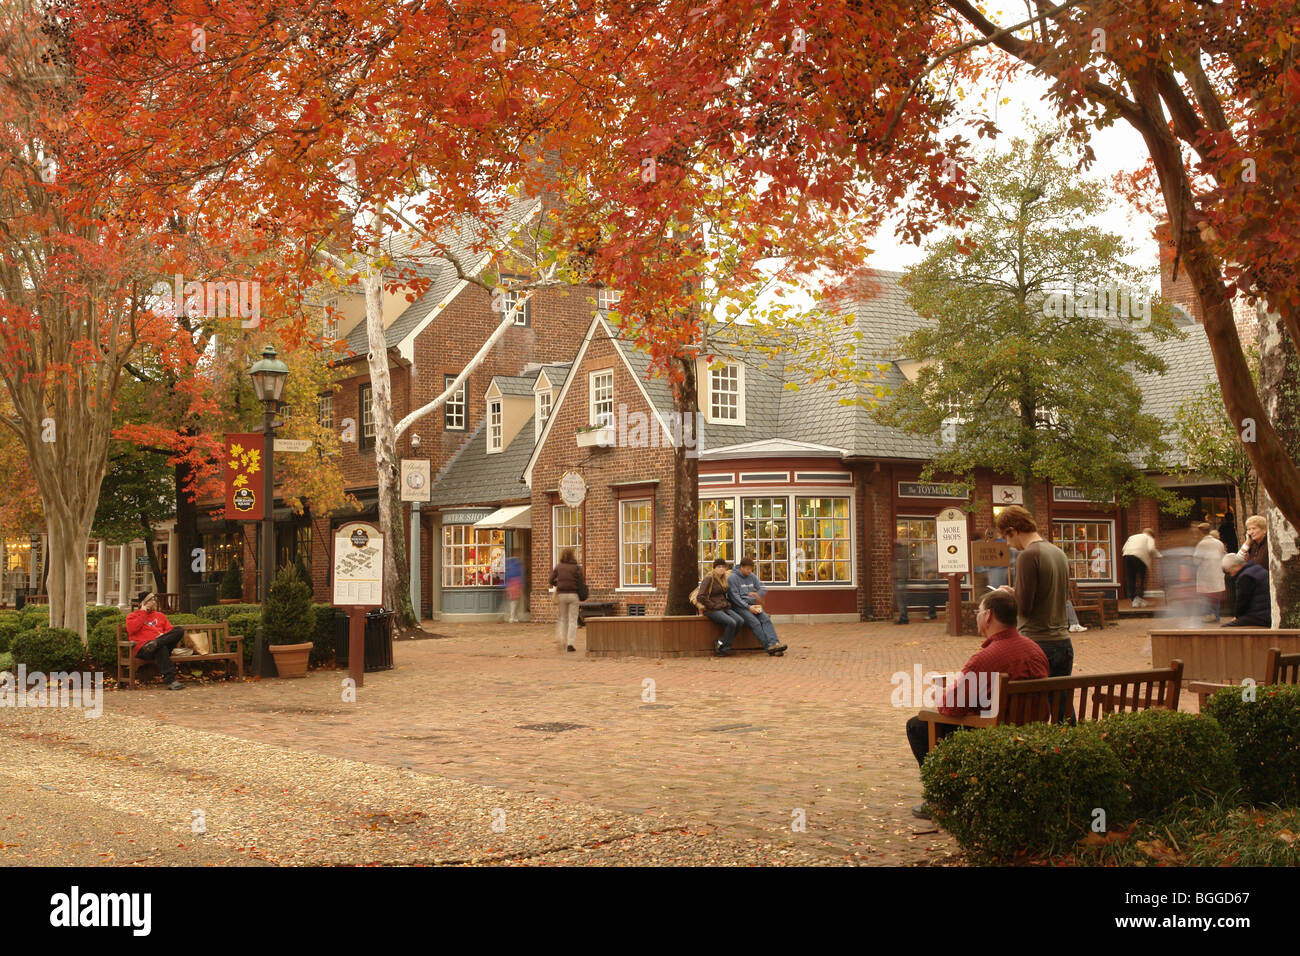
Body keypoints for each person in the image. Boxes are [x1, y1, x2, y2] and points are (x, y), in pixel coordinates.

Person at [907, 589, 1048, 819]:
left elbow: (952, 708)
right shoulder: (1035, 650)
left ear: (989, 616)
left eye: (978, 611)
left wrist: (939, 694)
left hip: (995, 733)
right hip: (1033, 729)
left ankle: (942, 800)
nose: (976, 615)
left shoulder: (986, 658)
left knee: (918, 726)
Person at [994, 505, 1072, 679]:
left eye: (1007, 537)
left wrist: (1009, 596)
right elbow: (1050, 595)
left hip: (1036, 642)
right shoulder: (1059, 553)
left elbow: (1024, 608)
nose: (1008, 544)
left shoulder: (1028, 556)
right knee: (1061, 704)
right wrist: (1016, 592)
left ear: (1013, 531)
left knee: (1034, 705)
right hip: (1063, 643)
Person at [727, 556, 788, 656]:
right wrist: (748, 607)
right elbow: (735, 597)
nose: (749, 571)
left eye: (751, 569)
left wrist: (757, 594)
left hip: (752, 605)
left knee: (765, 619)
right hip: (739, 607)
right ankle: (769, 647)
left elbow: (763, 588)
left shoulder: (752, 576)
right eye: (747, 569)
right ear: (741, 567)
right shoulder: (732, 578)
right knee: (755, 623)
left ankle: (775, 643)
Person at [125, 592, 186, 690]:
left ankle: (156, 643)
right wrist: (143, 612)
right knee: (161, 648)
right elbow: (132, 630)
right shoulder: (133, 616)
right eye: (150, 600)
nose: (153, 602)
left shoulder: (160, 615)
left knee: (179, 630)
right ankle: (171, 681)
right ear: (143, 602)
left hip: (158, 644)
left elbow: (170, 631)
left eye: (153, 600)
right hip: (144, 649)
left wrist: (162, 636)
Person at [694, 558, 746, 656]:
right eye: (718, 567)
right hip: (711, 609)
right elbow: (700, 596)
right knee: (731, 622)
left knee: (740, 621)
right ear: (714, 568)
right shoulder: (709, 578)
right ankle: (724, 647)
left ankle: (721, 643)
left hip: (724, 607)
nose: (721, 569)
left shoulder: (724, 579)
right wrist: (713, 605)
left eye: (723, 567)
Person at [549, 548, 585, 652]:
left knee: (562, 618)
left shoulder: (558, 567)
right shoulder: (576, 567)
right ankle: (570, 644)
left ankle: (560, 638)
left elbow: (550, 580)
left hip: (562, 595)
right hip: (573, 595)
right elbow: (581, 580)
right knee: (573, 620)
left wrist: (558, 584)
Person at [1221, 553, 1271, 627]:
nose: (1231, 575)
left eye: (1229, 572)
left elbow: (1242, 603)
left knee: (1225, 629)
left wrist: (1237, 617)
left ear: (1235, 566)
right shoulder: (1257, 568)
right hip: (1266, 613)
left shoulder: (1245, 577)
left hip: (1259, 616)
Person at [1194, 522, 1227, 623]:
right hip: (1217, 574)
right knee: (1215, 597)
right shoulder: (1219, 543)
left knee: (1205, 597)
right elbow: (1223, 556)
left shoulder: (1202, 544)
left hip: (1206, 575)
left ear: (1200, 532)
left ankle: (1209, 615)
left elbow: (1196, 561)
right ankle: (1216, 616)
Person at [1121, 528, 1160, 607]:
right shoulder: (1149, 537)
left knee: (1131, 578)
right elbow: (1151, 548)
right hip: (1139, 557)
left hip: (1127, 556)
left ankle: (1134, 600)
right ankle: (1140, 598)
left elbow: (1123, 548)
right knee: (1142, 579)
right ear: (1151, 534)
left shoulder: (1132, 537)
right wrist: (1159, 555)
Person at [504, 555, 524, 623]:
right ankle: (512, 617)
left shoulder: (510, 571)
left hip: (513, 589)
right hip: (514, 589)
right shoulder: (515, 572)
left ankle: (514, 617)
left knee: (514, 604)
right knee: (514, 604)